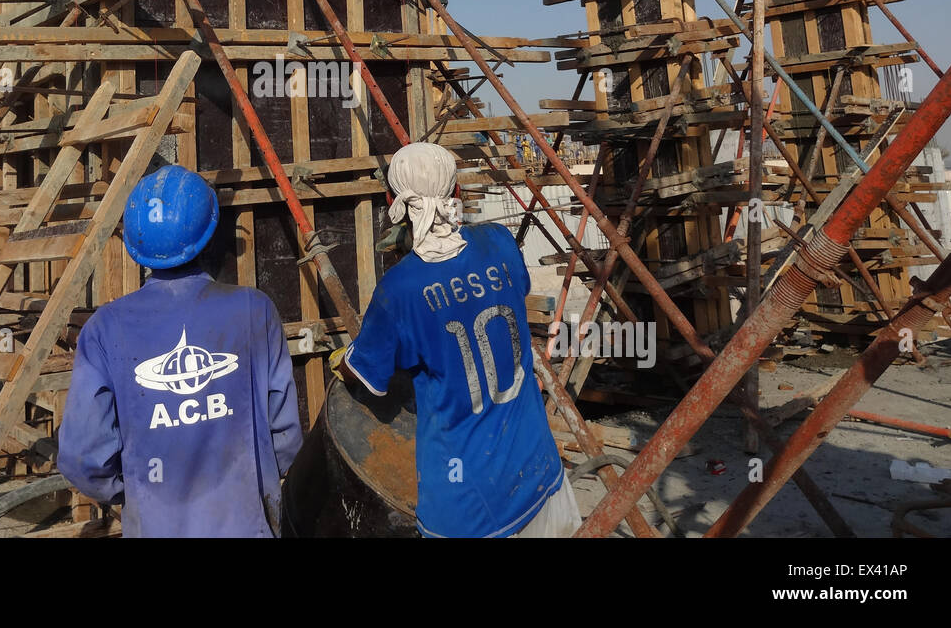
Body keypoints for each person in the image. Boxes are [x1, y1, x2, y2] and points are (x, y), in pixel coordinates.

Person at [336, 142, 581, 538]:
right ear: (456, 194)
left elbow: (365, 375)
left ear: (392, 201)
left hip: (467, 508)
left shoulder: (398, 290)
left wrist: (344, 360)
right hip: (538, 474)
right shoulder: (499, 242)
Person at [57, 164, 303, 537]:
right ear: (209, 233)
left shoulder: (105, 329)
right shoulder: (254, 309)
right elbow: (285, 434)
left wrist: (138, 490)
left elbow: (82, 457)